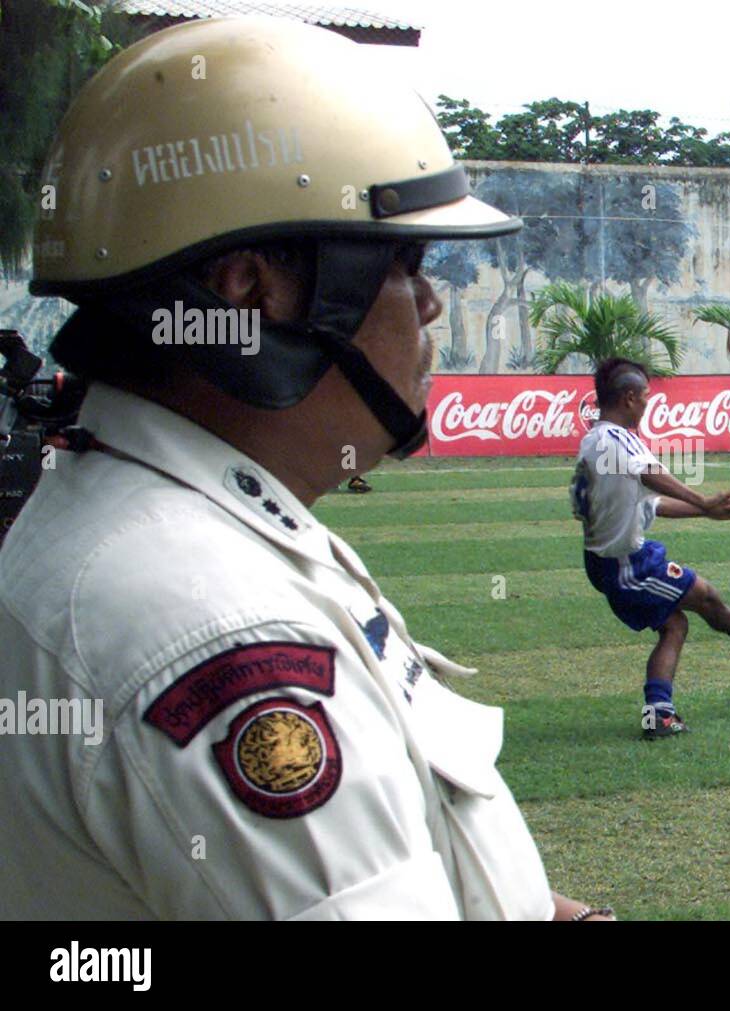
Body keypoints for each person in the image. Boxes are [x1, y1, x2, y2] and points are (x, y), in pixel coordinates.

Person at [0, 17, 611, 921]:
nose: (432, 301)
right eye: (404, 260)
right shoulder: (216, 629)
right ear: (255, 293)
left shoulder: (176, 521)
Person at [573, 358, 730, 739]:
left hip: (610, 558)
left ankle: (659, 714)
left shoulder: (595, 439)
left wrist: (705, 513)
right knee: (706, 598)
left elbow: (649, 503)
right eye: (646, 397)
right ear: (629, 398)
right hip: (625, 564)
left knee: (674, 624)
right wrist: (705, 500)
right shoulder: (613, 440)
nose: (649, 404)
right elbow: (651, 475)